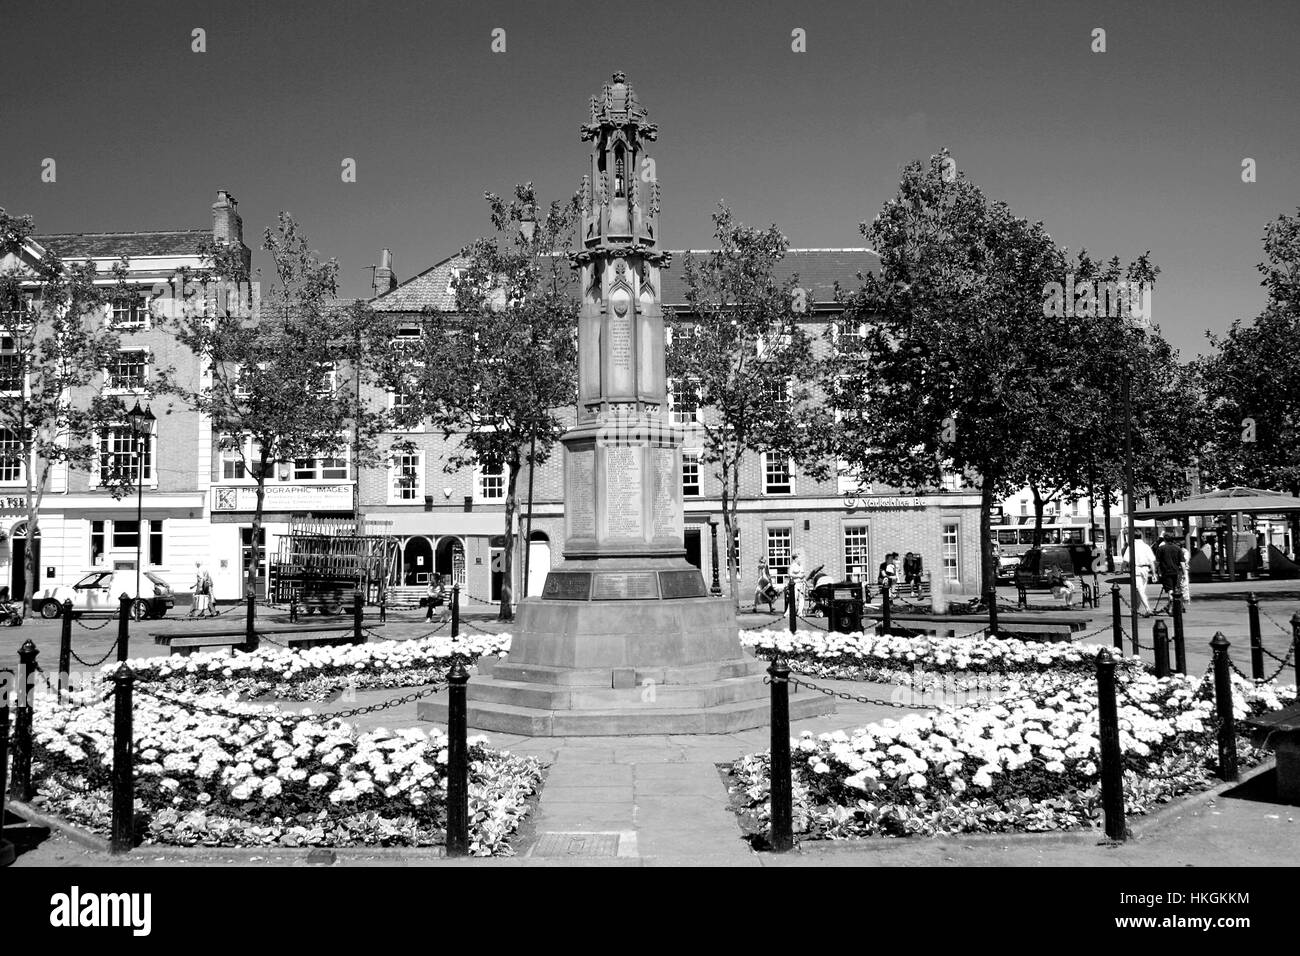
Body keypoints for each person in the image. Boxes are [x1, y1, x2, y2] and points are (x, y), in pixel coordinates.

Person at [1121, 534, 1156, 617]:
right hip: (1146, 570)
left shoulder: (1131, 547)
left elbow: (1125, 560)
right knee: (1140, 590)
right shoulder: (1146, 546)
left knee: (1140, 590)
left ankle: (1148, 609)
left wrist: (1122, 569)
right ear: (1141, 537)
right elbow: (1151, 561)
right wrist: (1154, 574)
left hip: (1136, 569)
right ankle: (1136, 610)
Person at [1155, 533, 1185, 611]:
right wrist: (1184, 573)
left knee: (1170, 589)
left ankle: (1171, 606)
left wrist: (1155, 571)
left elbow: (1157, 562)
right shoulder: (1178, 549)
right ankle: (1178, 606)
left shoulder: (1161, 549)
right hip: (1176, 572)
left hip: (1166, 572)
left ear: (1164, 540)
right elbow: (1182, 562)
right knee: (1176, 588)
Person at [788, 550, 808, 616]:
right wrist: (798, 576)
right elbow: (790, 574)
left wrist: (804, 579)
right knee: (794, 598)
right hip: (795, 583)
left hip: (801, 583)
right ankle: (790, 611)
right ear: (795, 558)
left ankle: (800, 612)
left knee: (801, 598)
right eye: (799, 558)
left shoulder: (800, 566)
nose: (800, 559)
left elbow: (802, 573)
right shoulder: (793, 565)